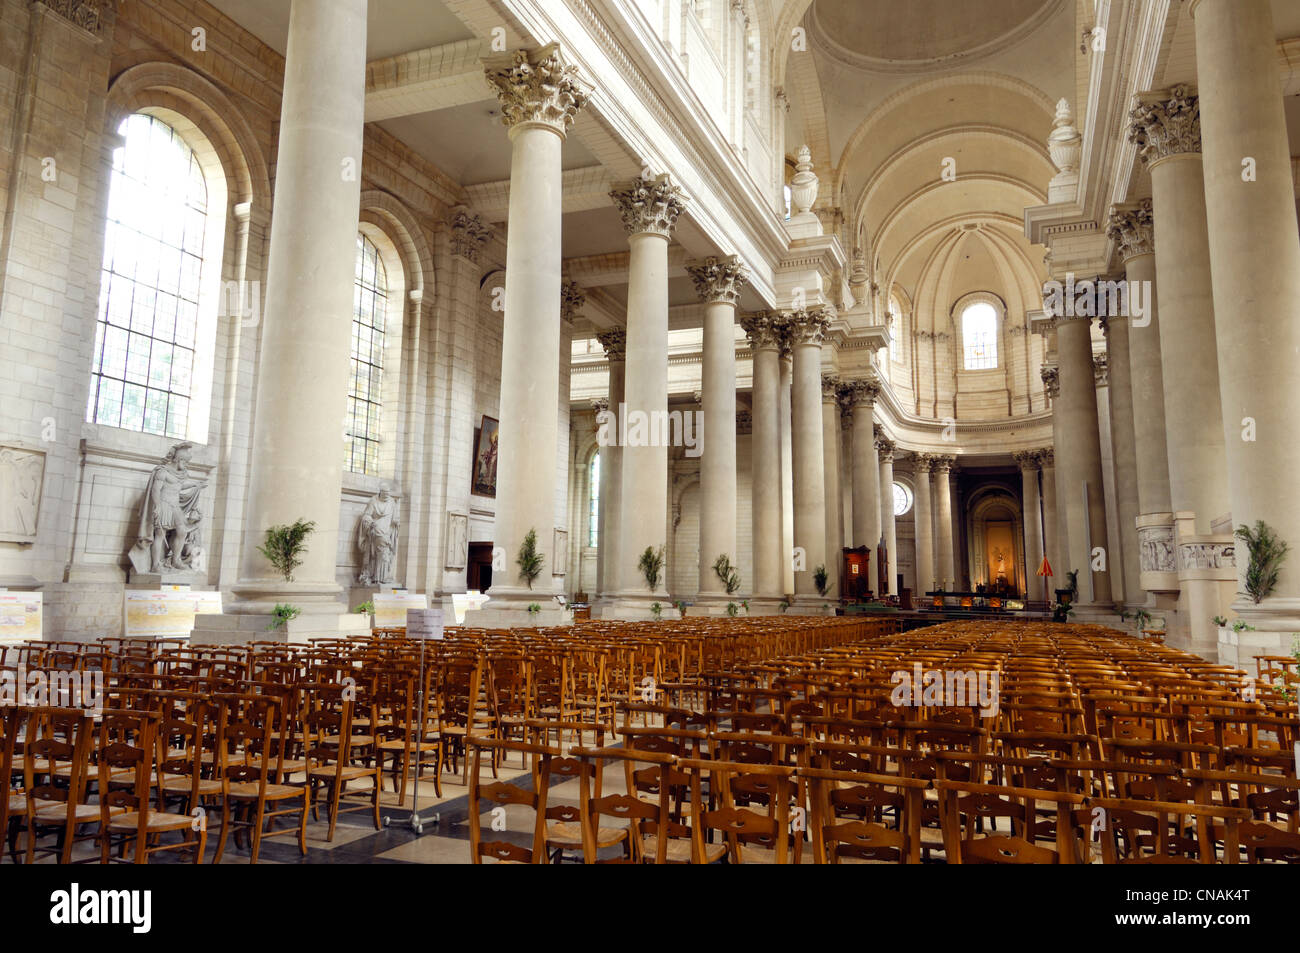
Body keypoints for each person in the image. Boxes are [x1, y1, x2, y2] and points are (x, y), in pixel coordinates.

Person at [133, 442, 207, 572]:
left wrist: (196, 485)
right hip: (164, 505)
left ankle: (176, 560)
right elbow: (155, 490)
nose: (186, 465)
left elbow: (180, 486)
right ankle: (155, 565)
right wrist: (156, 506)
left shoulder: (180, 474)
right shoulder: (162, 472)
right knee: (160, 535)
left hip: (174, 506)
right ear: (179, 460)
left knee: (182, 531)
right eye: (185, 462)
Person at [357, 486, 400, 585]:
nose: (386, 495)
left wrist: (396, 522)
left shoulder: (392, 502)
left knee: (385, 554)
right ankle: (377, 577)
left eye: (388, 493)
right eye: (384, 493)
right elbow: (366, 515)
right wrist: (370, 521)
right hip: (377, 530)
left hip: (387, 531)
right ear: (380, 492)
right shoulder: (373, 501)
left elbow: (395, 518)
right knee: (379, 554)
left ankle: (381, 577)